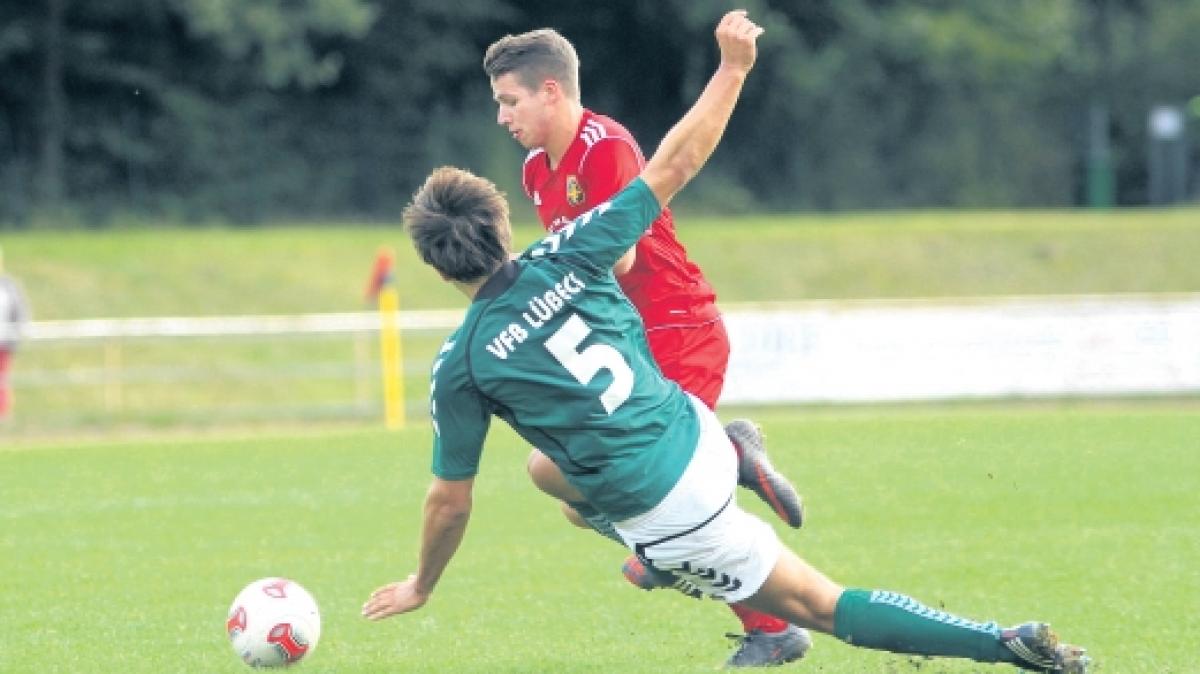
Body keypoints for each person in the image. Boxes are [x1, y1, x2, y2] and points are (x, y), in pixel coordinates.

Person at [363, 11, 1090, 674]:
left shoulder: (462, 361)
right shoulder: (562, 241)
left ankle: (968, 640)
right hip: (678, 424)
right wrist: (733, 68)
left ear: (434, 264)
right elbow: (674, 167)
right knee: (553, 479)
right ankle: (721, 491)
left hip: (672, 404)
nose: (502, 116)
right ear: (498, 221)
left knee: (821, 607)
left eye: (509, 101)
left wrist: (422, 584)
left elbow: (449, 501)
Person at [481, 16, 807, 666]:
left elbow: (620, 258)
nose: (501, 117)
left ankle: (766, 619)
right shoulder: (534, 173)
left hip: (677, 330)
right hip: (629, 347)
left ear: (551, 91)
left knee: (641, 490)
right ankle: (695, 550)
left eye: (509, 101)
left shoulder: (605, 147)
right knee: (565, 485)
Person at [0, 245, 30, 422]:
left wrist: (16, 336)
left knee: (2, 380)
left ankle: (2, 417)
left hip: (3, 342)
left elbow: (21, 313)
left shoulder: (9, 286)